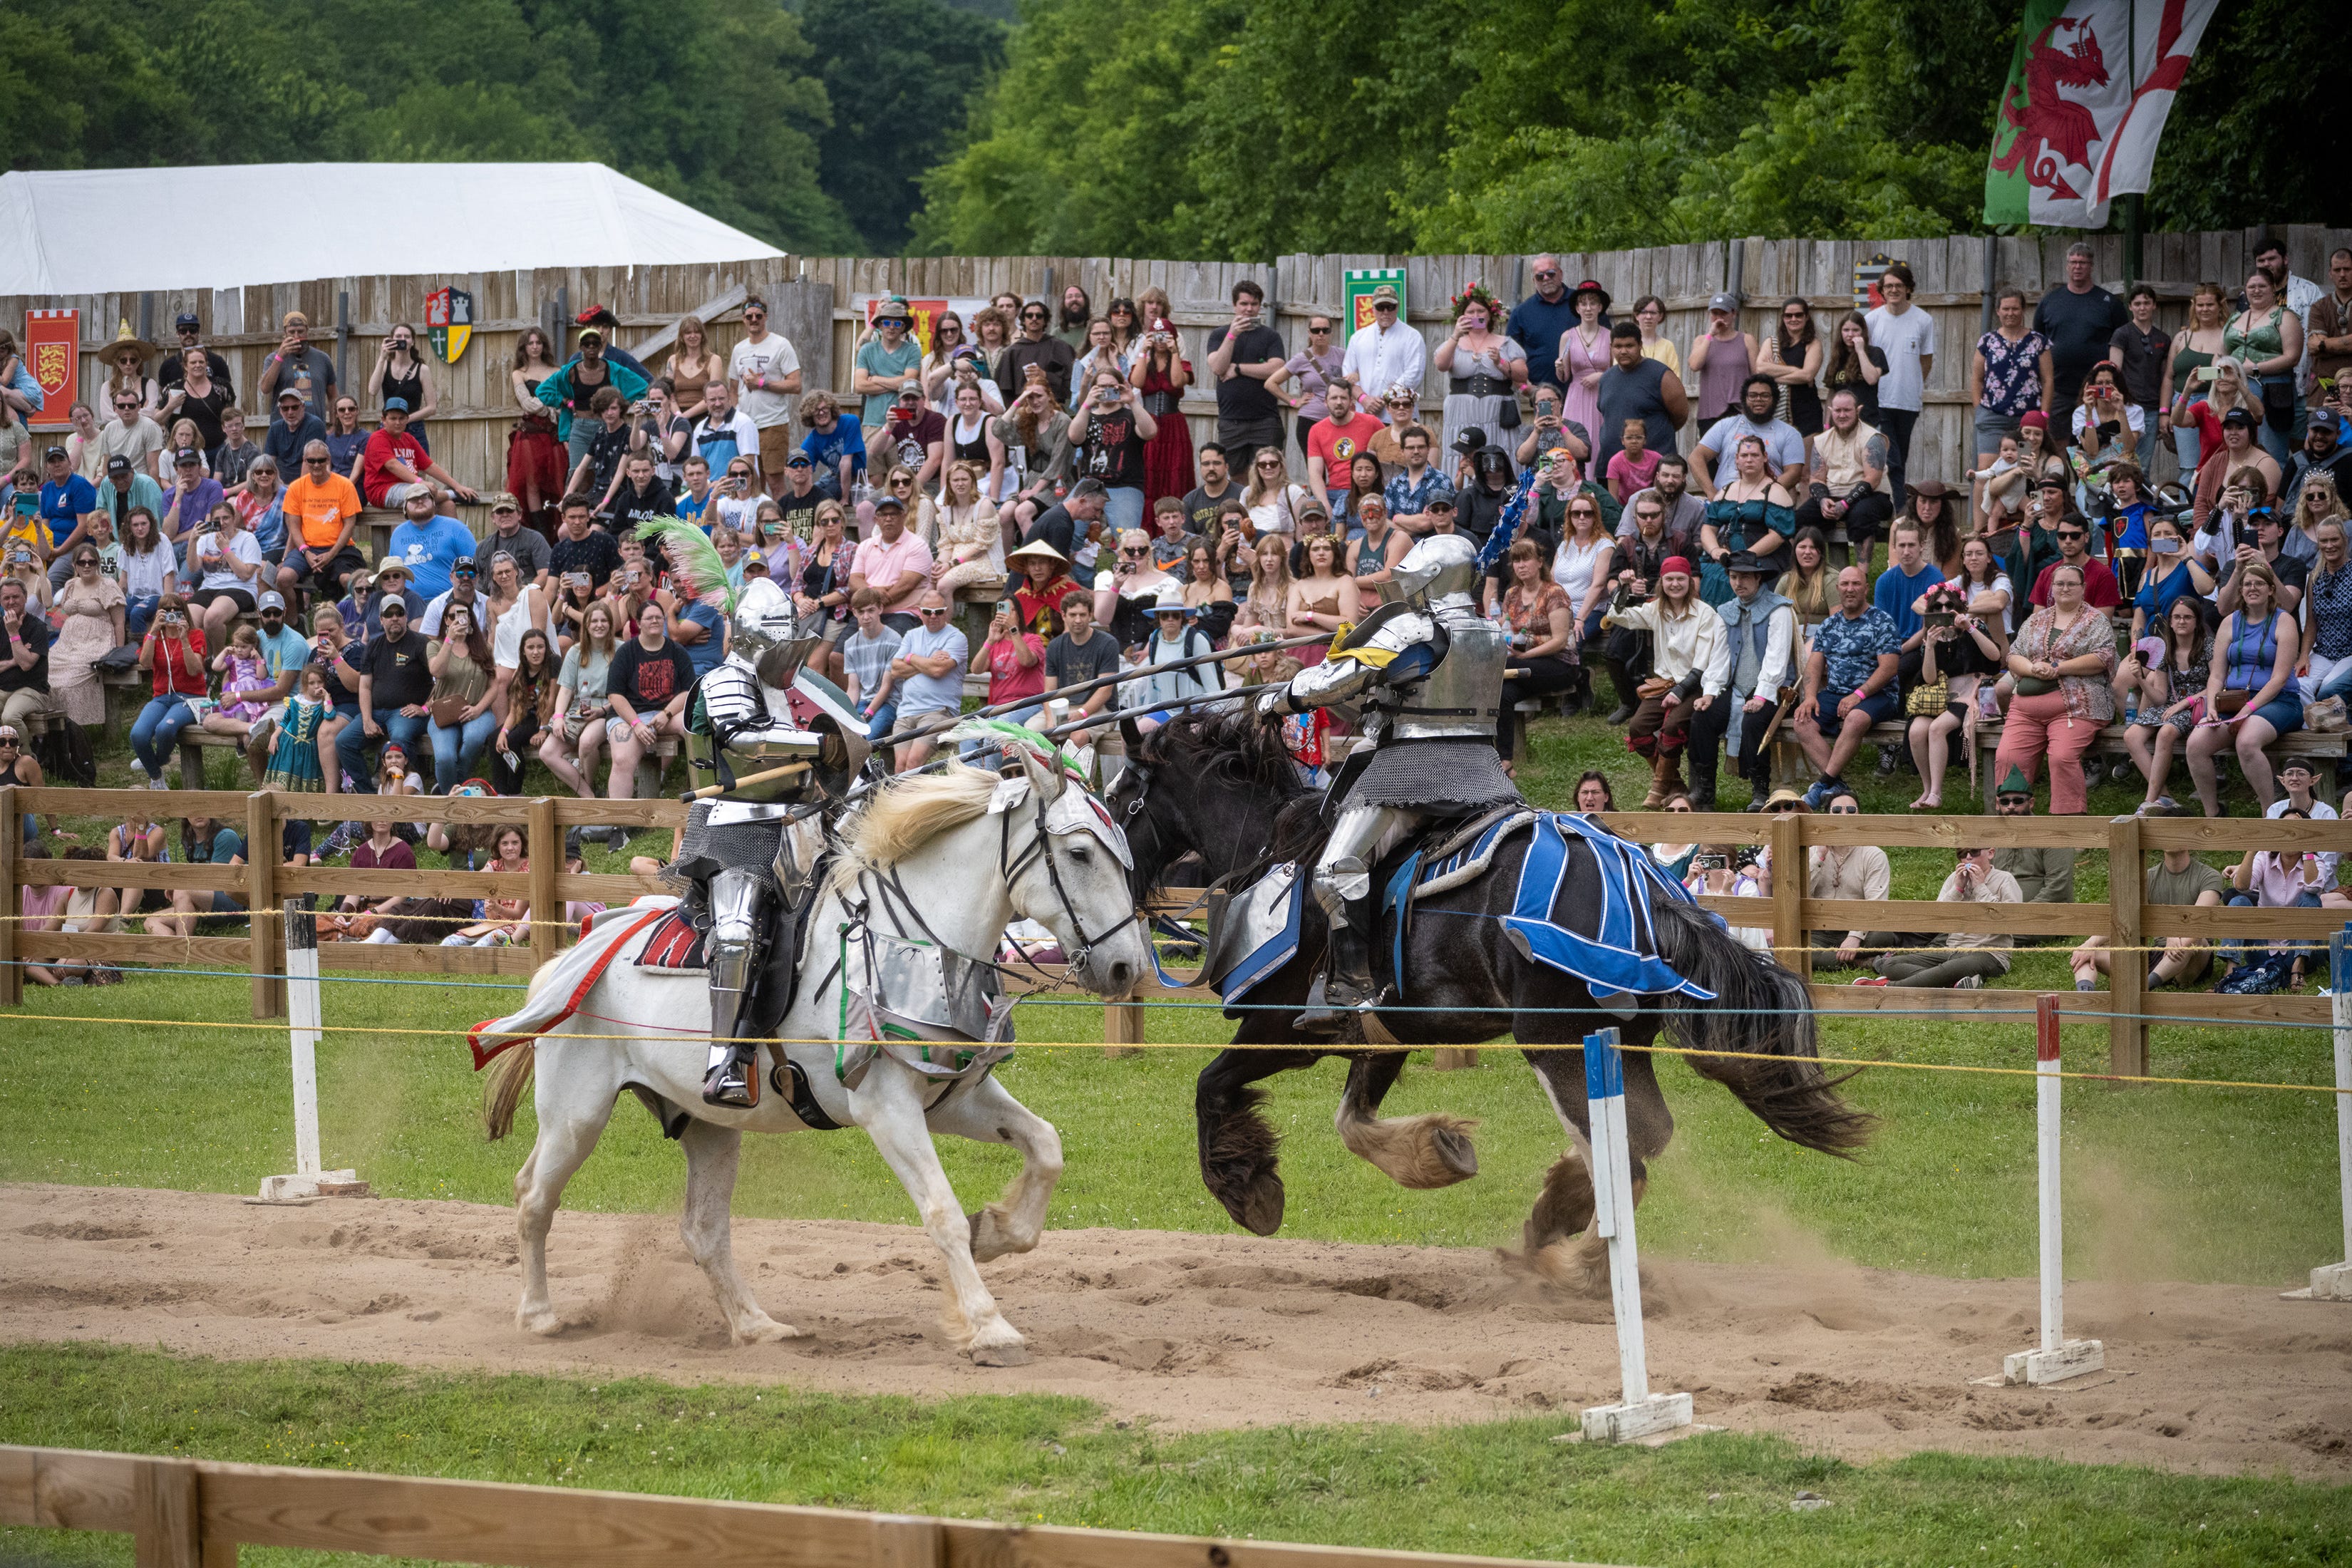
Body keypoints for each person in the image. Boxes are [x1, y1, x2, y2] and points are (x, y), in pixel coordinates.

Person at [1257, 525, 1527, 1031]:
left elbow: (1338, 682)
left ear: (1431, 578)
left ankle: (1350, 985)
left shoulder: (1414, 631)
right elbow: (1383, 693)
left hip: (1412, 770)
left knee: (1336, 869)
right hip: (1482, 771)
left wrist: (1280, 697)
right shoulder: (1491, 632)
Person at [1599, 555, 1726, 807]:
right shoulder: (1655, 609)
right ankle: (1675, 786)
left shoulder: (1705, 615)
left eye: (1681, 579)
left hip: (1696, 686)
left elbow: (1702, 664)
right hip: (1665, 684)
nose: (1675, 584)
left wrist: (1680, 691)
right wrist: (1623, 587)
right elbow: (1616, 614)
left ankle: (1658, 789)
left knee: (1673, 727)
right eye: (1669, 579)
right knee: (1638, 728)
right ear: (1662, 582)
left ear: (1690, 582)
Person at [1997, 562, 2118, 815]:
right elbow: (2014, 655)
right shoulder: (2036, 619)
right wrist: (2033, 669)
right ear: (2051, 588)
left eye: (2072, 584)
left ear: (2083, 588)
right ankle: (2012, 821)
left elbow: (2103, 657)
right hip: (2026, 711)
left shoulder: (2096, 620)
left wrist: (2058, 668)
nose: (2065, 588)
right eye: (2059, 583)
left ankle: (2067, 825)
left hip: (2076, 708)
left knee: (2061, 758)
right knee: (2008, 757)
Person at [2187, 559, 2300, 815]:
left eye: (2259, 583)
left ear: (2271, 589)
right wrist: (2212, 707)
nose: (2252, 588)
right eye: (2247, 584)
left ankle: (2269, 814)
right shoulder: (2230, 622)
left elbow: (2279, 678)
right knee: (2196, 744)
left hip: (2279, 701)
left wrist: (2247, 710)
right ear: (2240, 590)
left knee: (2247, 741)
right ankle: (2213, 814)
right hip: (2233, 701)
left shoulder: (2284, 621)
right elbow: (2217, 675)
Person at [1688, 551, 1796, 811]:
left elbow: (1777, 658)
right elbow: (1720, 657)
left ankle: (1760, 791)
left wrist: (1762, 695)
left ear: (1758, 578)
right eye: (1734, 577)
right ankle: (1704, 791)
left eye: (1745, 577)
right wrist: (1710, 692)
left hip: (1776, 688)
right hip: (1737, 687)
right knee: (1703, 718)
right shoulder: (1726, 611)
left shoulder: (1778, 609)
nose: (1738, 583)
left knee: (1754, 721)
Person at [1794, 564, 1901, 807]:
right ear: (1838, 588)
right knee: (1802, 721)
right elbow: (1814, 665)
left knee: (1855, 718)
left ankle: (1822, 784)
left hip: (1879, 695)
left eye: (1856, 584)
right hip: (1835, 694)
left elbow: (1889, 668)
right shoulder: (1829, 625)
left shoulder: (1882, 621)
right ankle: (1837, 785)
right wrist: (1810, 696)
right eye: (1845, 584)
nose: (1850, 589)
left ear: (1866, 589)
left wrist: (1858, 695)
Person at [1851, 847, 2021, 990]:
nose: (1968, 857)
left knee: (1949, 969)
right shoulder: (1954, 878)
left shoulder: (2005, 880)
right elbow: (1937, 919)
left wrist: (1980, 887)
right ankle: (1954, 983)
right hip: (1952, 950)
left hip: (1990, 954)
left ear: (1990, 853)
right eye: (1962, 853)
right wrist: (1957, 889)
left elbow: (2009, 922)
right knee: (1891, 964)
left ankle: (1887, 987)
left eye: (1974, 852)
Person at [2072, 845, 2228, 990]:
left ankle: (2145, 988)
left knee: (2195, 941)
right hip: (2157, 954)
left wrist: (2176, 934)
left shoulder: (2209, 876)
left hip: (2192, 957)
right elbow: (2122, 919)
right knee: (2086, 953)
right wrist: (2089, 944)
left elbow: (2198, 922)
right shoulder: (2148, 877)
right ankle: (2086, 996)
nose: (2170, 838)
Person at [2033, 242, 2127, 460]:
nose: (2078, 267)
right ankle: (2062, 481)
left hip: (2099, 390)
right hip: (2059, 388)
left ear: (2091, 266)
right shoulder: (2050, 302)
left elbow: (2122, 340)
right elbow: (2038, 343)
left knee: (2100, 442)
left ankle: (2095, 479)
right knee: (2059, 443)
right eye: (2074, 262)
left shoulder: (2109, 303)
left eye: (2083, 263)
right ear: (2067, 266)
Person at [603, 605, 695, 798]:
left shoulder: (677, 651)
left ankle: (702, 792)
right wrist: (636, 724)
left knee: (695, 728)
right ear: (638, 623)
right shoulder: (626, 652)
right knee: (621, 759)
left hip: (667, 714)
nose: (655, 621)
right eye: (649, 618)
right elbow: (614, 695)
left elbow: (688, 691)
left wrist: (667, 713)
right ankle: (619, 815)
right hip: (629, 715)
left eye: (659, 617)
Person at [1864, 264, 1936, 507]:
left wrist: (1912, 384)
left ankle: (1893, 508)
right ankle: (1902, 510)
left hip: (1908, 402)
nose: (1894, 290)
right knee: (1891, 459)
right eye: (1889, 286)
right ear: (1882, 290)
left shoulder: (1923, 320)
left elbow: (1926, 361)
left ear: (1908, 289)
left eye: (1899, 286)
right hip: (1880, 400)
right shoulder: (1871, 320)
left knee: (1900, 458)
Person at [1433, 286, 1526, 468]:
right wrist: (1455, 335)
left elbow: (1523, 375)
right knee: (1463, 453)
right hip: (1462, 411)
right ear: (1462, 316)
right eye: (1470, 312)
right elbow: (1441, 365)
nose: (1476, 315)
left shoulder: (1506, 343)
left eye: (1481, 311)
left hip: (1498, 411)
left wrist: (1501, 363)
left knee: (1500, 451)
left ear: (1490, 314)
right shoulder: (1454, 343)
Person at [1205, 282, 1289, 473]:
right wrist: (1232, 335)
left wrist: (1238, 369)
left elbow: (1277, 368)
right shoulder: (1219, 335)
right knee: (1235, 477)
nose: (1249, 309)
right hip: (1231, 421)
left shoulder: (1270, 336)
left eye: (1254, 304)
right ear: (1234, 305)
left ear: (1260, 306)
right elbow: (1218, 367)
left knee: (1268, 475)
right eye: (1244, 304)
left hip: (1266, 421)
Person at [725, 296, 802, 496]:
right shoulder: (739, 349)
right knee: (749, 482)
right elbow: (733, 388)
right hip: (746, 426)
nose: (754, 320)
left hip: (773, 423)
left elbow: (796, 384)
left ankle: (778, 517)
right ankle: (756, 518)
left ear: (766, 317)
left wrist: (762, 384)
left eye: (758, 316)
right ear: (743, 319)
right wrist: (736, 414)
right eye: (749, 316)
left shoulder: (780, 344)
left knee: (775, 482)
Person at [540, 600, 617, 798]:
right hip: (579, 708)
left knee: (587, 742)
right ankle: (589, 795)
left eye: (603, 621)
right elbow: (565, 690)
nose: (599, 625)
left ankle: (590, 784)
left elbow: (626, 693)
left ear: (610, 624)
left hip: (607, 709)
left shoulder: (620, 650)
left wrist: (603, 710)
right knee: (547, 752)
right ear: (586, 625)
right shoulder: (576, 651)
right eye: (594, 621)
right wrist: (558, 717)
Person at [129, 593, 206, 788]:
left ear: (184, 613)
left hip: (190, 697)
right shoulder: (155, 637)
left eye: (177, 610)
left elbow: (194, 670)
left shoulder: (196, 635)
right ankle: (156, 776)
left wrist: (184, 640)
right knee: (138, 734)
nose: (172, 613)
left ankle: (155, 761)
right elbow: (145, 663)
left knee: (165, 728)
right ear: (159, 613)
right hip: (162, 697)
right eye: (167, 610)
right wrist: (154, 631)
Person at [885, 592, 967, 773]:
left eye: (939, 611)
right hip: (906, 711)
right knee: (900, 765)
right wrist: (929, 661)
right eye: (928, 612)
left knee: (913, 763)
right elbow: (895, 670)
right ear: (920, 612)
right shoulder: (911, 635)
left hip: (938, 711)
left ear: (946, 611)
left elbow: (938, 671)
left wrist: (910, 657)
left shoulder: (956, 637)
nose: (933, 616)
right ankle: (907, 794)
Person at [1594, 320, 1687, 478]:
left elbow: (1680, 415)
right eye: (1618, 346)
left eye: (1629, 346)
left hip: (1651, 470)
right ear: (1611, 348)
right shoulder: (1606, 378)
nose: (1623, 351)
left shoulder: (1662, 375)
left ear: (1640, 345)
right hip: (1611, 467)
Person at [1691, 373, 1806, 498]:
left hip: (1766, 500)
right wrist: (1712, 493)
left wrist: (1762, 495)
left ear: (1775, 399)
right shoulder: (1726, 426)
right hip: (1725, 499)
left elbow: (1794, 473)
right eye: (1752, 395)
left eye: (1765, 395)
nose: (1758, 399)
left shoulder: (1789, 434)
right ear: (1744, 399)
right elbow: (1696, 458)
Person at [840, 589, 903, 743]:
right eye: (861, 612)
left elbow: (887, 687)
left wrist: (867, 715)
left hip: (888, 704)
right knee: (840, 737)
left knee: (862, 741)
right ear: (854, 612)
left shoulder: (894, 640)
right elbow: (853, 689)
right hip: (862, 702)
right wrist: (846, 715)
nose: (866, 617)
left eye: (871, 610)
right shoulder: (850, 644)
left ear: (880, 609)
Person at [1687, 292, 1758, 426]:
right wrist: (1711, 335)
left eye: (1724, 313)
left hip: (1741, 410)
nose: (1719, 318)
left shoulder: (1747, 340)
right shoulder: (1701, 340)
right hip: (1710, 412)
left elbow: (1758, 376)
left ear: (1734, 313)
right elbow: (1695, 365)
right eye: (1715, 313)